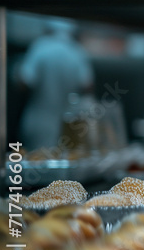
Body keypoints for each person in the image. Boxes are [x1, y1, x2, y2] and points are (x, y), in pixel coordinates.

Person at [18, 18, 94, 151]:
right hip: (69, 124)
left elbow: (24, 82)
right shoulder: (77, 51)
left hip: (39, 121)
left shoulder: (40, 46)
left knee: (36, 163)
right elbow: (87, 86)